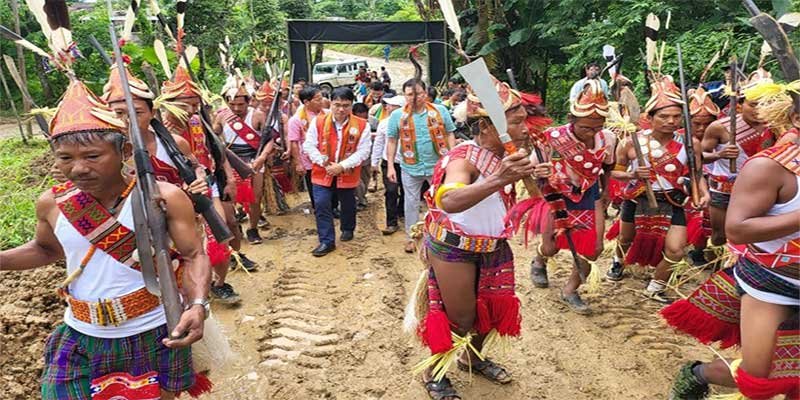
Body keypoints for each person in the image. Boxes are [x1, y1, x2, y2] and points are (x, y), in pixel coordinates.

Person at [0, 77, 212, 399]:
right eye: (65, 158)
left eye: (92, 156)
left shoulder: (163, 197)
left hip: (151, 330)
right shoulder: (52, 203)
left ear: (124, 150)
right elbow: (45, 250)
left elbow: (194, 255)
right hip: (80, 332)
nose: (78, 169)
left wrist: (197, 306)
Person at [408, 75, 549, 400]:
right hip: (454, 248)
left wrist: (531, 176)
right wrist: (499, 179)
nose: (526, 129)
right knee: (461, 318)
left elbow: (526, 199)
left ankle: (472, 357)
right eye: (516, 122)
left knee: (490, 312)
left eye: (524, 121)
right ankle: (434, 373)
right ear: (486, 127)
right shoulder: (464, 158)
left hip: (493, 246)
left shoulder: (510, 156)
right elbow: (449, 200)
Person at [663, 81, 800, 400]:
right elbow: (737, 229)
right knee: (760, 374)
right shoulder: (770, 167)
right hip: (773, 282)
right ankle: (698, 374)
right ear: (797, 119)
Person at [606, 76, 710, 303]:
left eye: (675, 116)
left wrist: (704, 192)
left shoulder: (690, 143)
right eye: (664, 116)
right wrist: (632, 175)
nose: (670, 121)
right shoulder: (630, 142)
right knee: (626, 238)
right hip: (637, 199)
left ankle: (656, 286)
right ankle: (617, 262)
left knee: (676, 250)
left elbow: (697, 173)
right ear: (650, 118)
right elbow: (614, 172)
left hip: (672, 201)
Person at [158, 64, 254, 303]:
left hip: (206, 186)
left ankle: (219, 282)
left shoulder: (198, 122)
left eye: (194, 103)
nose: (192, 109)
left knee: (221, 232)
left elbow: (215, 153)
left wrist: (228, 178)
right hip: (169, 195)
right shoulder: (156, 133)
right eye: (186, 103)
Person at [528, 81, 616, 314]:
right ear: (571, 119)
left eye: (598, 127)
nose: (592, 133)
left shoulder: (607, 138)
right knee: (551, 247)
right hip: (555, 195)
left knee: (594, 248)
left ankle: (570, 290)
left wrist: (606, 192)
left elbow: (608, 166)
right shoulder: (550, 138)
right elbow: (531, 170)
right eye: (586, 128)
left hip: (589, 193)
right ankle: (539, 260)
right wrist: (539, 173)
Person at [701, 69, 775, 258]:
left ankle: (742, 264)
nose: (760, 110)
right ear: (740, 105)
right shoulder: (720, 127)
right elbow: (699, 156)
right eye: (754, 104)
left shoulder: (776, 128)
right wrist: (720, 154)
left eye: (766, 104)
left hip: (761, 188)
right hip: (725, 187)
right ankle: (715, 266)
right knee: (720, 234)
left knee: (754, 233)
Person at [386, 78, 456, 253]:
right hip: (410, 166)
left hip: (438, 165)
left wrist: (452, 158)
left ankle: (442, 234)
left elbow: (449, 134)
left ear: (425, 93)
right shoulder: (397, 116)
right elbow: (392, 141)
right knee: (411, 202)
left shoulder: (440, 111)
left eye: (418, 94)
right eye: (410, 94)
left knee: (441, 200)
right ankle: (412, 238)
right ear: (405, 96)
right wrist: (390, 166)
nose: (415, 98)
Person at [303, 87, 372, 256]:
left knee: (348, 203)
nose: (341, 109)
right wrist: (322, 161)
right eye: (337, 105)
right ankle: (326, 241)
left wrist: (342, 166)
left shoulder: (362, 125)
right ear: (330, 103)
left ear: (352, 105)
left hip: (347, 172)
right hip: (322, 172)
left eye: (346, 105)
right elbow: (309, 145)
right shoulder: (318, 122)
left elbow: (363, 151)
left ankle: (348, 227)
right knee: (321, 204)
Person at [213, 78, 268, 246]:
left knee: (256, 197)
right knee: (232, 197)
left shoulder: (258, 115)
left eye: (240, 105)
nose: (236, 109)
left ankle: (253, 229)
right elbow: (212, 136)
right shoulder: (222, 116)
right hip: (231, 160)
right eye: (232, 105)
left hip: (254, 159)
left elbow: (269, 140)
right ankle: (237, 226)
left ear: (248, 102)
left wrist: (262, 158)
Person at [684, 86, 720, 265]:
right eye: (696, 124)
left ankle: (708, 251)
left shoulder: (721, 135)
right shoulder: (680, 138)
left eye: (706, 124)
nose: (701, 128)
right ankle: (696, 249)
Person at [371, 95, 406, 234]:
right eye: (388, 105)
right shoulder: (384, 123)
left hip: (407, 163)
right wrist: (374, 162)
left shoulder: (410, 122)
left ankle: (401, 211)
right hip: (389, 162)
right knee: (391, 191)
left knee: (406, 191)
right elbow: (379, 143)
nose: (388, 107)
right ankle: (391, 222)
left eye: (392, 106)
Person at [288, 84, 326, 209]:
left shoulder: (328, 114)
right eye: (318, 99)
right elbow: (294, 142)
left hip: (328, 156)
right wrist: (298, 163)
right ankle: (319, 209)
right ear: (306, 102)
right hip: (309, 160)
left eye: (322, 98)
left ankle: (333, 207)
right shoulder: (296, 119)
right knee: (315, 186)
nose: (322, 101)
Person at [352, 102, 371, 210]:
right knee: (357, 180)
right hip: (354, 156)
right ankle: (360, 200)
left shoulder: (373, 123)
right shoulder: (350, 124)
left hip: (368, 156)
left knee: (365, 178)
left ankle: (362, 196)